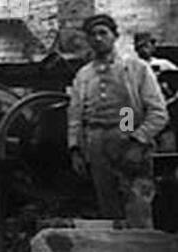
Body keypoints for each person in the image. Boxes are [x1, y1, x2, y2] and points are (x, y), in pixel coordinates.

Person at [67, 14, 168, 229]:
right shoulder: (84, 75)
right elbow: (75, 116)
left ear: (115, 36)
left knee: (137, 206)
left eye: (103, 33)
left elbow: (157, 112)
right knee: (108, 210)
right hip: (95, 143)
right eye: (92, 35)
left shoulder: (135, 68)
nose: (98, 38)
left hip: (127, 140)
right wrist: (75, 148)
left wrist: (136, 141)